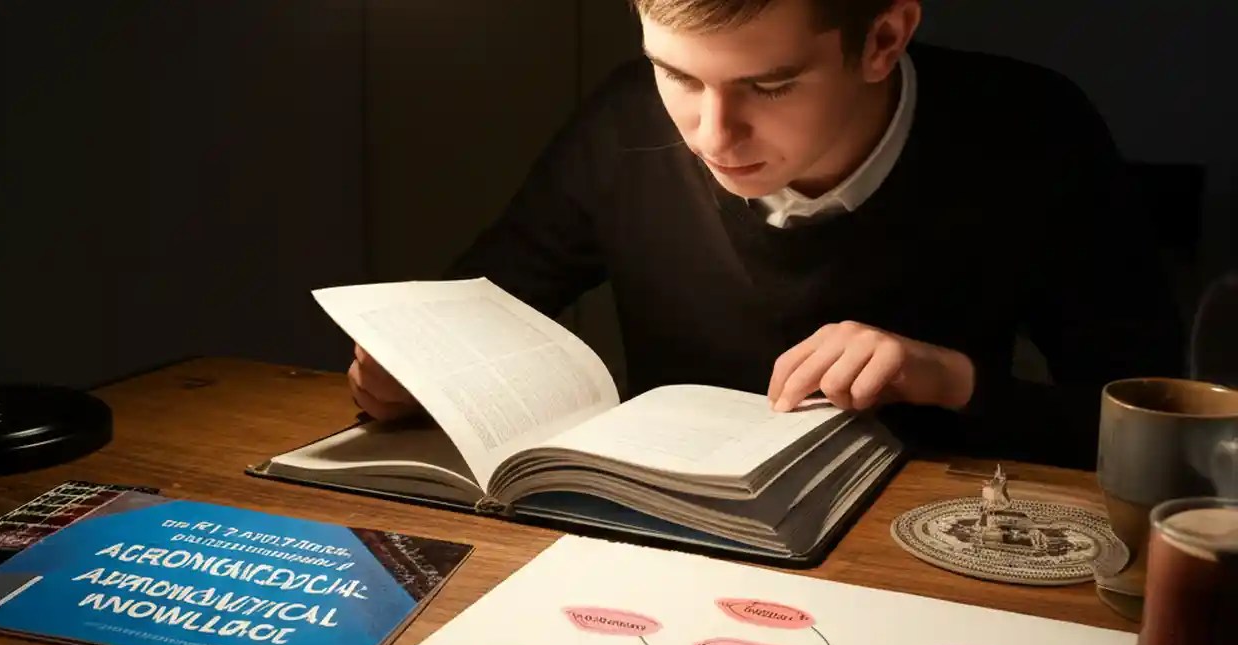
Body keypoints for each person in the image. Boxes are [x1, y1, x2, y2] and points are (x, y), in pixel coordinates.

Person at [348, 0, 1184, 470]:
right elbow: (491, 299)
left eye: (770, 85)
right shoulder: (625, 118)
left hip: (927, 551)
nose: (712, 135)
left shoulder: (1033, 133)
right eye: (676, 74)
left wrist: (948, 378)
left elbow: (1164, 436)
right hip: (661, 545)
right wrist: (417, 372)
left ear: (884, 40)